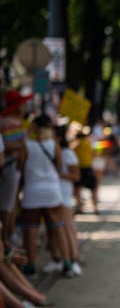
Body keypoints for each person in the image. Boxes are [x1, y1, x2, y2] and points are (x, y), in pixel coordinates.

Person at [19, 115, 76, 277]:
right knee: (58, 227)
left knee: (30, 230)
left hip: (32, 191)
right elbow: (58, 166)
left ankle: (30, 266)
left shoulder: (26, 145)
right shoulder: (54, 144)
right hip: (52, 191)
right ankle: (67, 264)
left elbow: (20, 166)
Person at [0, 89, 32, 246]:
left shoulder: (15, 122)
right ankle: (6, 237)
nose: (26, 106)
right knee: (8, 205)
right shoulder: (7, 123)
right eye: (23, 104)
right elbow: (7, 145)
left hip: (14, 168)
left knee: (11, 204)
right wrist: (19, 146)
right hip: (9, 167)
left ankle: (8, 234)